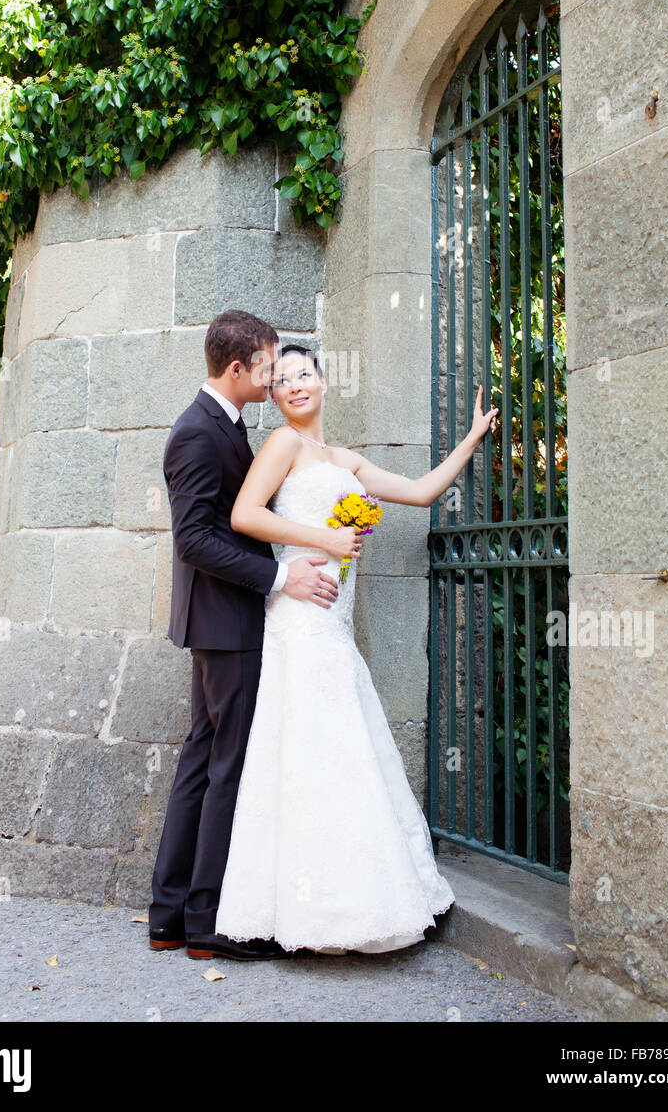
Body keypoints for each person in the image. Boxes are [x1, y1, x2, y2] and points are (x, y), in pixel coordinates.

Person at [213, 343, 499, 955]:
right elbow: (243, 515)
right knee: (310, 744)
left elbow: (422, 492)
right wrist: (328, 538)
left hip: (333, 621)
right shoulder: (283, 445)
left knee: (338, 745)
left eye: (303, 373)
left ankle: (348, 905)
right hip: (300, 608)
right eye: (281, 379)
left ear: (323, 381)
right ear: (273, 394)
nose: (293, 385)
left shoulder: (341, 458)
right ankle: (306, 915)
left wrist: (472, 439)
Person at [148, 312, 342, 962]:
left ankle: (169, 916)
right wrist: (279, 576)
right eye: (265, 366)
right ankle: (203, 924)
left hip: (222, 619)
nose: (273, 377)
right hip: (225, 622)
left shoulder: (224, 425)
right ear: (237, 369)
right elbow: (195, 539)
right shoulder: (196, 434)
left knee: (202, 763)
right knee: (224, 767)